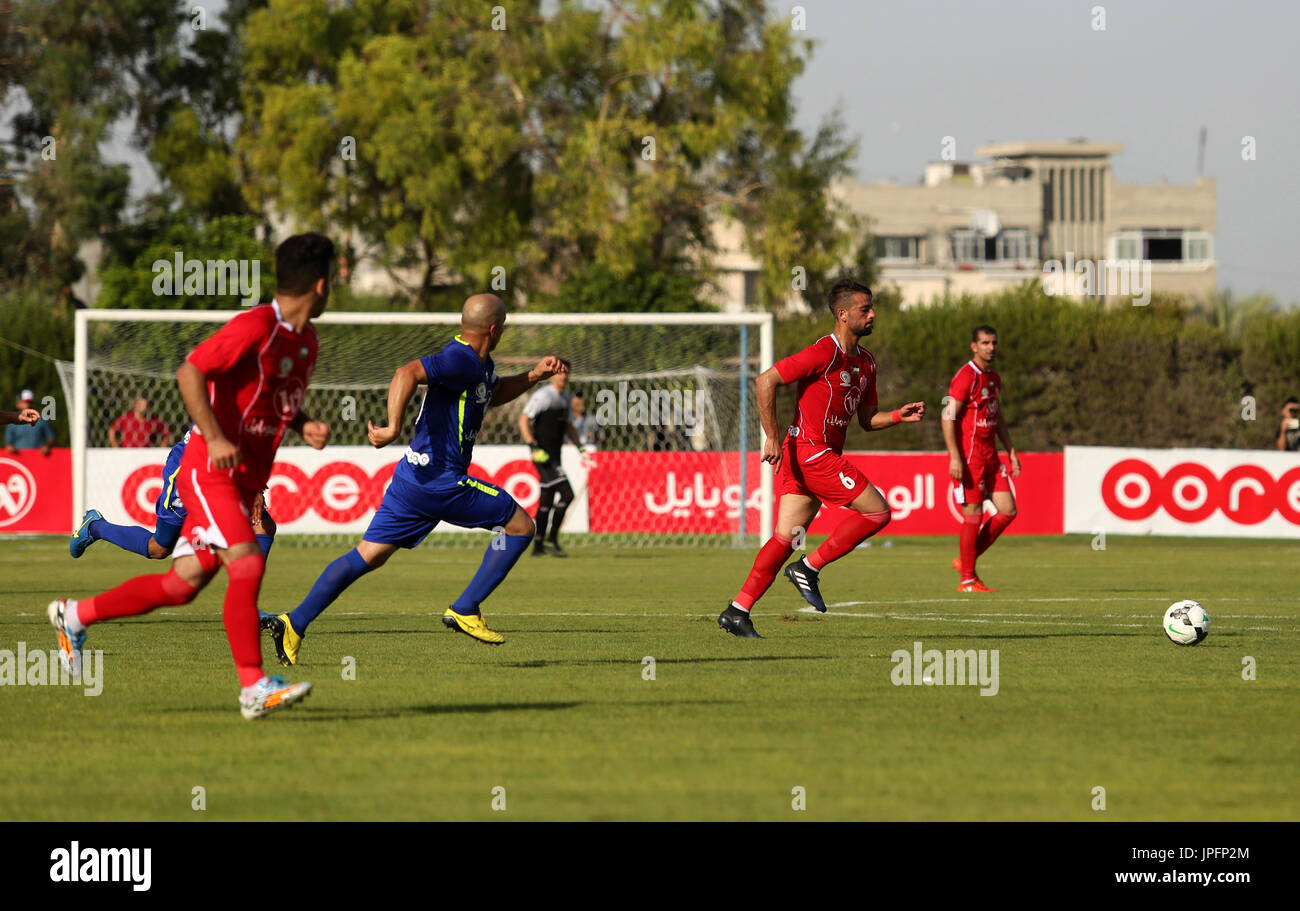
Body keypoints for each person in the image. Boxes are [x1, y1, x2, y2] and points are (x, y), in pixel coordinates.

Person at [47, 232, 334, 720]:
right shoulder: (256, 324)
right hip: (207, 469)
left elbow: (269, 397)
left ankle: (73, 615)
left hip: (244, 480)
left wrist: (303, 421)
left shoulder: (305, 342)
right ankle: (253, 687)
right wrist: (215, 437)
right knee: (246, 563)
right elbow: (190, 372)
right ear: (323, 285)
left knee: (182, 583)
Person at [261, 293, 567, 666]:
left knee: (368, 556)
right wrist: (393, 427)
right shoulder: (460, 359)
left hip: (412, 478)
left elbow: (494, 392)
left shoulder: (478, 364)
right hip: (440, 480)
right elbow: (407, 372)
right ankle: (466, 607)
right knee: (521, 527)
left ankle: (294, 621)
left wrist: (534, 375)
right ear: (494, 329)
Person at [718, 279, 926, 638]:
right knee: (878, 512)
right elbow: (765, 380)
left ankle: (737, 611)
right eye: (865, 309)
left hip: (808, 456)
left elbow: (865, 420)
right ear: (843, 315)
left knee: (785, 539)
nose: (873, 314)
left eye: (872, 307)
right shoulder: (823, 352)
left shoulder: (866, 363)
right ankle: (809, 568)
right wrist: (771, 435)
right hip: (812, 453)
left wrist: (897, 416)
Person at [70, 427, 276, 561]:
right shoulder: (233, 390)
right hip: (188, 472)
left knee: (263, 526)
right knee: (159, 548)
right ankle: (96, 528)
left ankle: (247, 605)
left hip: (218, 470)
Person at [942, 325, 1020, 593]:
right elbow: (947, 415)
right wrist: (954, 456)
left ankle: (966, 562)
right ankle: (967, 579)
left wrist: (1010, 450)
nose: (991, 347)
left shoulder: (994, 378)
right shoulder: (966, 376)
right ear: (974, 346)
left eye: (994, 343)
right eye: (985, 343)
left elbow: (998, 418)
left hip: (991, 458)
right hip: (970, 458)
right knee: (972, 514)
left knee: (1008, 510)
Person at [519, 361, 592, 557]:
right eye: (560, 373)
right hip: (542, 456)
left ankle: (539, 546)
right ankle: (551, 539)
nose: (563, 377)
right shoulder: (544, 396)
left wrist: (581, 449)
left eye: (566, 373)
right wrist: (532, 444)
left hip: (555, 457)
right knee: (567, 494)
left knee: (546, 501)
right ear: (552, 375)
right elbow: (524, 419)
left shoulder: (565, 399)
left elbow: (568, 427)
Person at [4, 390, 54, 455]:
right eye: (24, 402)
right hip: (19, 460)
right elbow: (8, 442)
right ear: (18, 404)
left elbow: (51, 437)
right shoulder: (11, 422)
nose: (27, 404)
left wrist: (46, 445)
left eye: (29, 402)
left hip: (38, 460)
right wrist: (9, 447)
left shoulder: (42, 420)